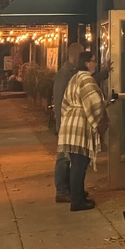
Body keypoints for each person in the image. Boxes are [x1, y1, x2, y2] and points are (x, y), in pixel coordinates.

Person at [56, 51, 107, 211]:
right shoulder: (86, 78)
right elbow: (95, 102)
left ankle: (76, 193)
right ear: (86, 63)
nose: (95, 64)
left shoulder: (74, 78)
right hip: (80, 125)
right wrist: (99, 118)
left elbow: (64, 103)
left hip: (70, 124)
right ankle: (77, 201)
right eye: (93, 61)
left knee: (75, 162)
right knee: (80, 164)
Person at [52, 43, 82, 201]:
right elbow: (61, 101)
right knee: (64, 157)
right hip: (66, 123)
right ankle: (62, 191)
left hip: (67, 122)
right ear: (76, 56)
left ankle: (67, 189)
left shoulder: (70, 73)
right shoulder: (65, 75)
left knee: (68, 157)